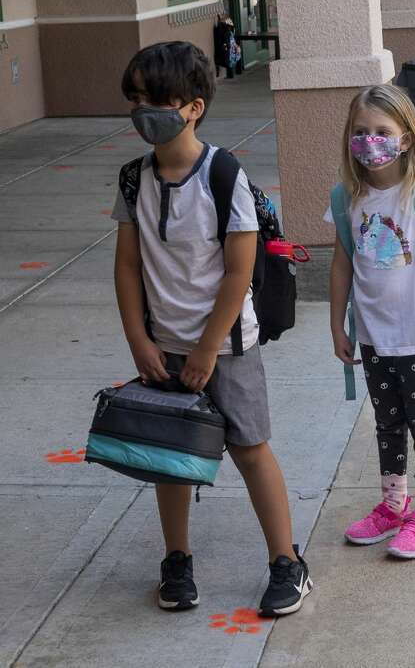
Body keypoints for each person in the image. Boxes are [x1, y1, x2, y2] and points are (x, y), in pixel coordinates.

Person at [112, 41, 311, 616]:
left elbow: (239, 271)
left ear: (192, 106)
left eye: (153, 100)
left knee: (250, 449)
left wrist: (206, 349)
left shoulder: (223, 174)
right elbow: (127, 266)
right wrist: (139, 340)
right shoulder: (133, 180)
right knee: (169, 455)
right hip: (162, 348)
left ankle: (286, 563)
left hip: (227, 349)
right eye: (136, 100)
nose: (141, 111)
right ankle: (177, 560)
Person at [327, 84, 415, 559]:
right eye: (361, 132)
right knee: (386, 423)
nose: (371, 141)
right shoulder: (348, 197)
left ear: (405, 138)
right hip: (372, 335)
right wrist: (337, 325)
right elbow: (342, 264)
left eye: (382, 132)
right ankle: (393, 504)